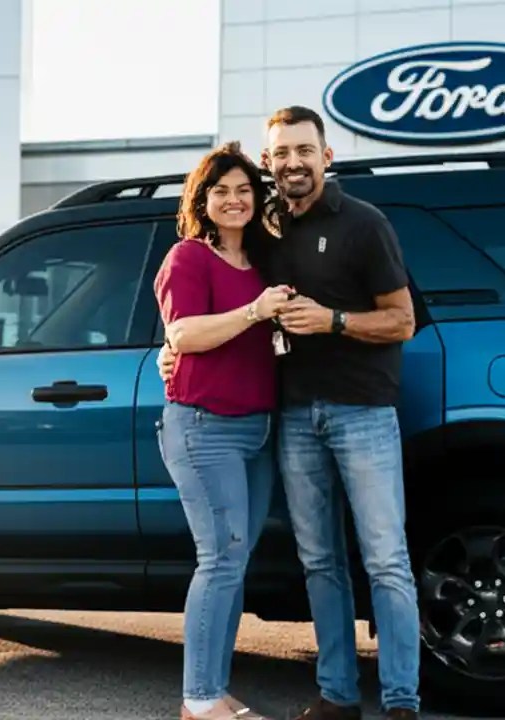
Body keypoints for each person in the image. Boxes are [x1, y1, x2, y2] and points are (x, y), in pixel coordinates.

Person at [159, 106, 421, 720]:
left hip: (363, 412)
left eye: (305, 150)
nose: (293, 163)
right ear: (270, 162)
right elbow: (196, 313)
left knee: (385, 558)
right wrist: (167, 354)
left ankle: (403, 700)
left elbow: (403, 320)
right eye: (281, 154)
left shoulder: (364, 223)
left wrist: (333, 320)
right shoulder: (265, 235)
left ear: (326, 157)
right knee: (320, 560)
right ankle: (337, 696)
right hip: (293, 415)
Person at [153, 140, 294, 720]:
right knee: (219, 558)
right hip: (204, 427)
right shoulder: (188, 258)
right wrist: (254, 313)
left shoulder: (263, 262)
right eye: (221, 191)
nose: (234, 200)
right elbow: (183, 334)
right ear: (202, 200)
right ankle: (200, 700)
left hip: (257, 431)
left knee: (235, 560)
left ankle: (216, 689)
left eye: (243, 190)